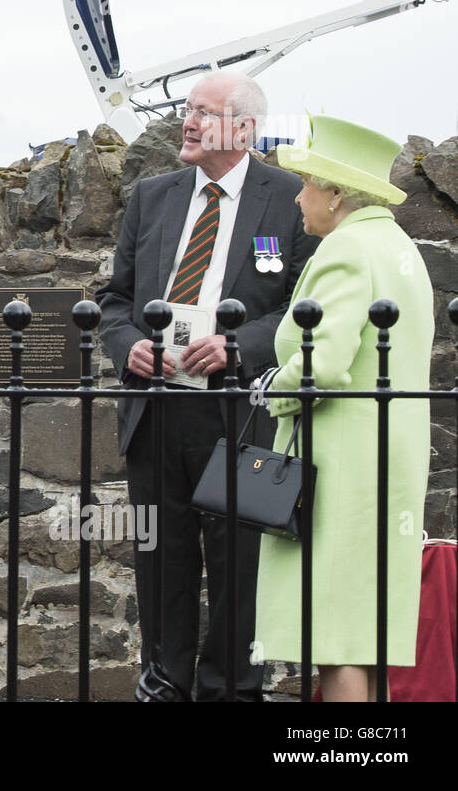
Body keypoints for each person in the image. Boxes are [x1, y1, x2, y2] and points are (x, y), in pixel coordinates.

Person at [96, 70, 318, 701]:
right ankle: (163, 687)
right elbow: (114, 300)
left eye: (203, 112)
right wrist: (128, 346)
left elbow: (301, 307)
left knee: (237, 570)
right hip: (157, 412)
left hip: (239, 412)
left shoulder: (289, 199)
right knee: (160, 566)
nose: (187, 123)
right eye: (186, 110)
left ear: (244, 128)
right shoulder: (152, 196)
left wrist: (237, 345)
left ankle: (231, 693)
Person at [255, 115, 432, 701]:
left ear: (335, 194)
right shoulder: (400, 247)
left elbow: (322, 364)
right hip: (390, 455)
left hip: (342, 463)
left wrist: (268, 389)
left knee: (336, 634)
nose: (299, 195)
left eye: (307, 182)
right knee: (369, 628)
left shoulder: (346, 248)